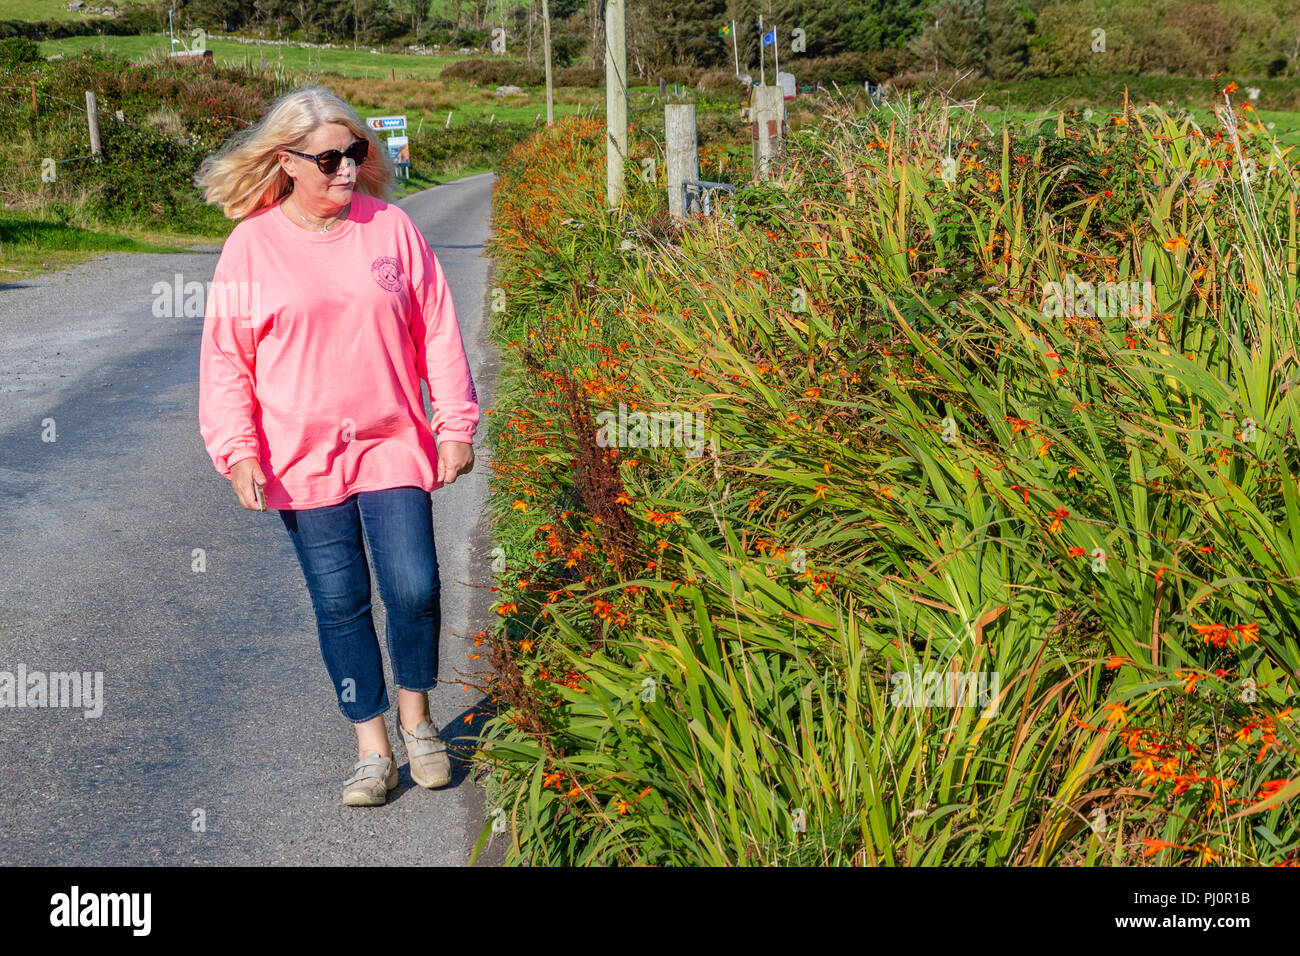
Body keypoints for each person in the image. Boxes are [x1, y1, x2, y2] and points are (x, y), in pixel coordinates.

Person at [195, 85, 480, 807]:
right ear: (286, 162)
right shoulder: (249, 248)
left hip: (391, 443)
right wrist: (239, 450)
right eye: (329, 158)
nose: (348, 169)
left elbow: (438, 331)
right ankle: (373, 749)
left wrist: (454, 426)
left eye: (355, 153)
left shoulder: (392, 229)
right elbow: (226, 359)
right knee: (342, 601)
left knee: (414, 587)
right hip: (300, 455)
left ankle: (420, 725)